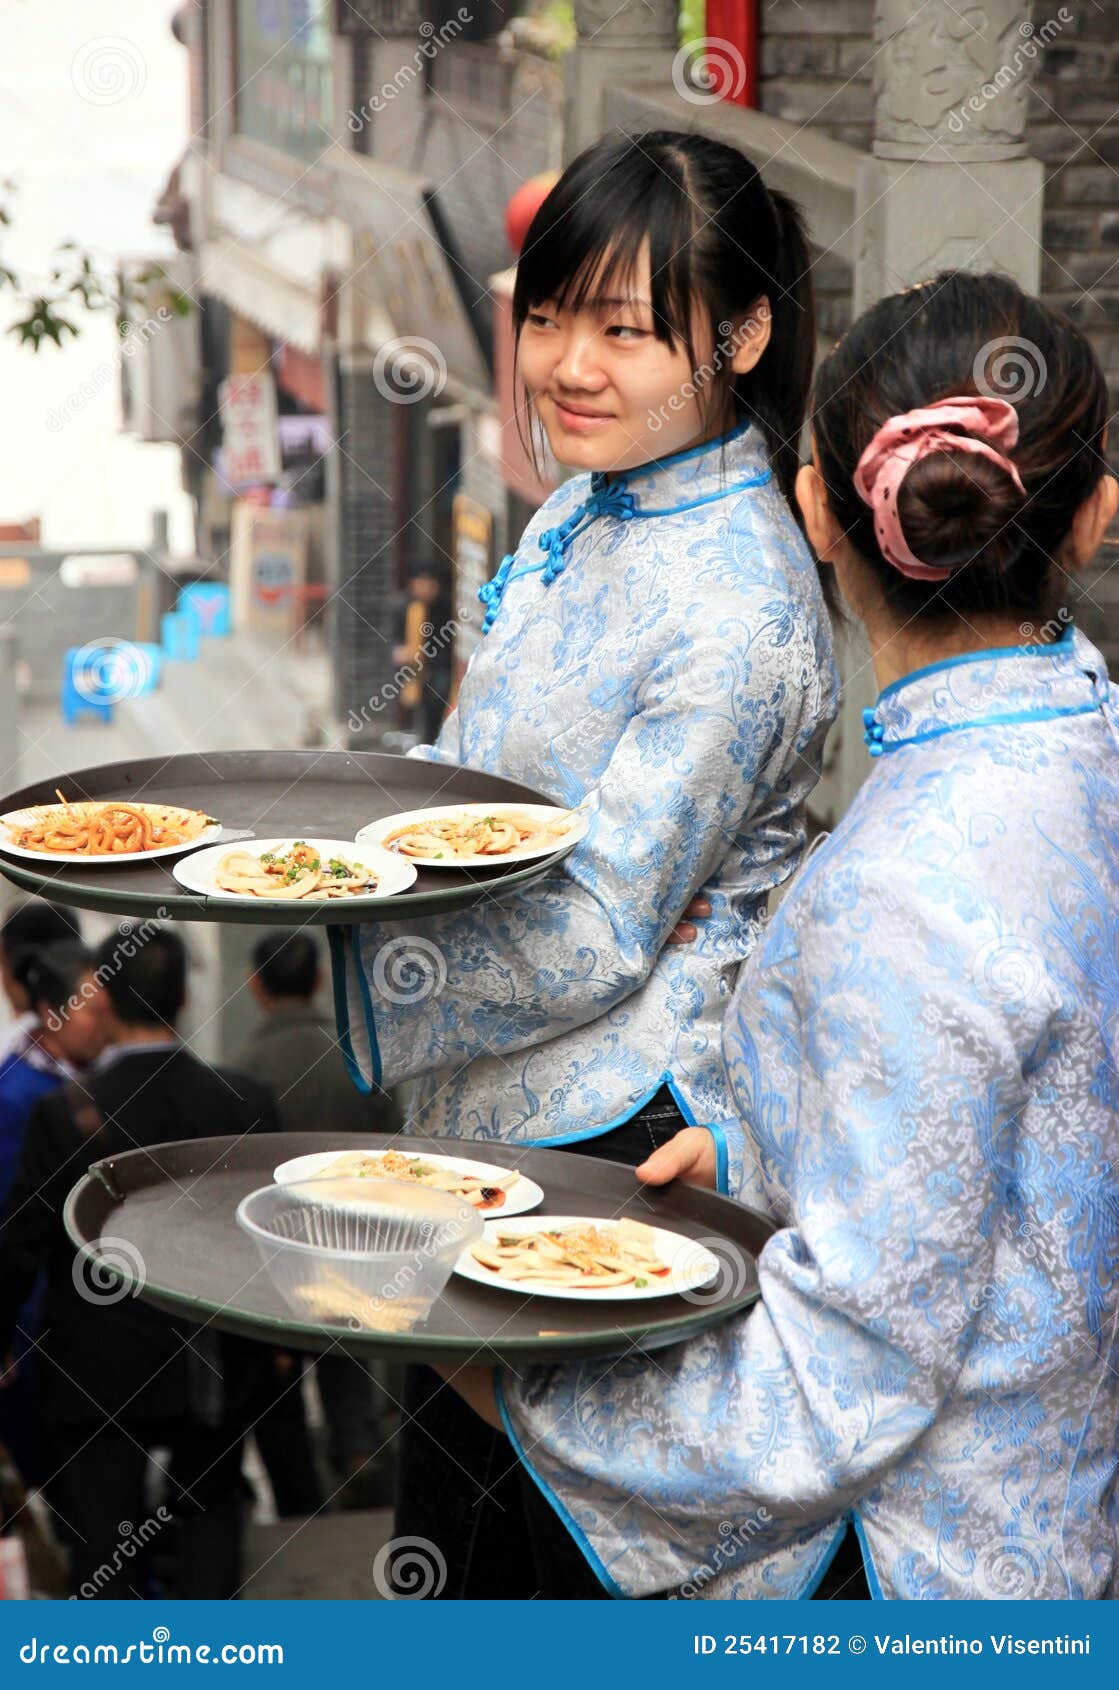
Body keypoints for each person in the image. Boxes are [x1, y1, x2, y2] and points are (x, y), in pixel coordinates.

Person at [445, 272, 1119, 1600]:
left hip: (912, 1567)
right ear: (1093, 518)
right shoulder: (1068, 764)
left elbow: (841, 1377)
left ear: (814, 510)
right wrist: (759, 1134)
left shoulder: (904, 880)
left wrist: (516, 1393)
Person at [330, 129, 838, 1595]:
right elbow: (495, 795)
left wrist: (359, 920)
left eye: (624, 329)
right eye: (549, 316)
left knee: (533, 1568)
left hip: (610, 1139)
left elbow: (601, 922)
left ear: (740, 332)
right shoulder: (581, 506)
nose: (567, 364)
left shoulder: (738, 606)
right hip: (488, 1127)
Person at [0, 925, 285, 1598]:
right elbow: (274, 1234)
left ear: (105, 997)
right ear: (185, 997)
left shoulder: (61, 1111)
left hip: (96, 1364)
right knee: (212, 1523)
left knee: (103, 1546)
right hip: (211, 1359)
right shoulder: (244, 1101)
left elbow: (22, 1240)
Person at [233, 930, 399, 1509]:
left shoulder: (242, 1067)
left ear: (255, 988)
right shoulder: (360, 1061)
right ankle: (358, 1460)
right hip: (355, 1242)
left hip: (275, 1250)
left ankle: (301, 1496)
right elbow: (396, 1155)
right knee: (348, 1360)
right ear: (321, 981)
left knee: (280, 1373)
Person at [0, 938, 104, 1491]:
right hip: (38, 1312)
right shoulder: (17, 1094)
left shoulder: (96, 1076)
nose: (104, 1023)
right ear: (51, 1013)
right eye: (93, 1011)